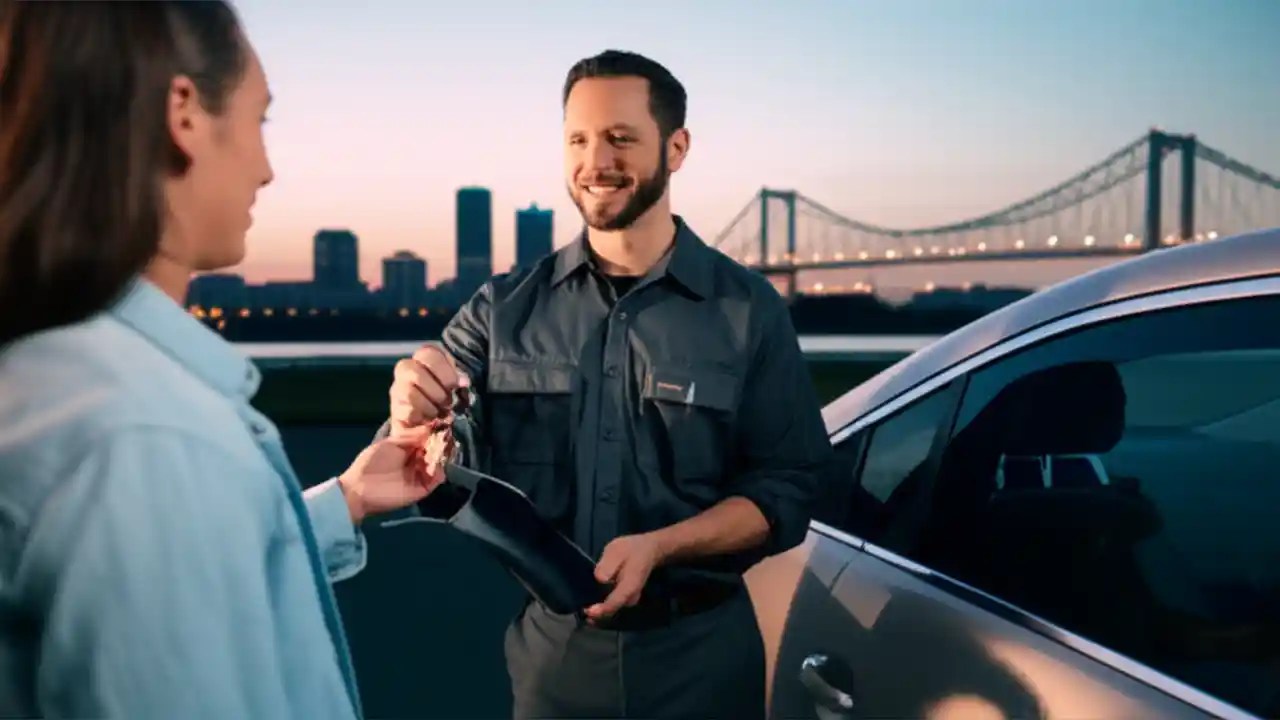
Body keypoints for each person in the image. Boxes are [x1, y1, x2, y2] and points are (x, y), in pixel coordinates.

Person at [0, 3, 445, 718]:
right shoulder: (145, 437)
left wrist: (348, 501)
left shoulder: (64, 382)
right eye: (258, 120)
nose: (266, 170)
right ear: (182, 114)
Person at [382, 49, 832, 719]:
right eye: (579, 139)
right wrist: (412, 412)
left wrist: (662, 547)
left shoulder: (748, 311)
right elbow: (415, 459)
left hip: (703, 658)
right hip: (555, 658)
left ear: (676, 148)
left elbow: (789, 487)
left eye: (621, 138)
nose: (596, 161)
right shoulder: (500, 311)